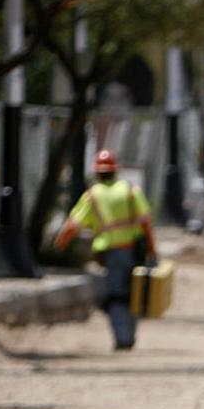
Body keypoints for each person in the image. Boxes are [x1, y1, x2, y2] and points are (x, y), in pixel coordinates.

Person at [56, 149, 157, 351]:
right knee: (133, 293)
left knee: (116, 296)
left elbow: (72, 226)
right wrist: (152, 249)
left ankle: (123, 338)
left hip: (110, 254)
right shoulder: (130, 191)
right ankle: (129, 334)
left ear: (97, 172)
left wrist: (58, 247)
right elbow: (145, 223)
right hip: (134, 251)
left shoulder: (92, 196)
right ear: (115, 170)